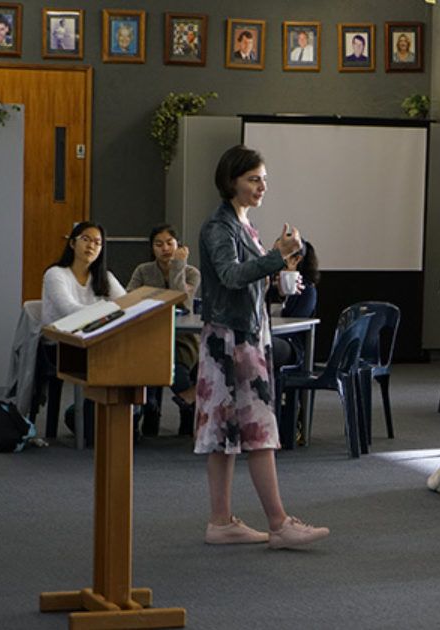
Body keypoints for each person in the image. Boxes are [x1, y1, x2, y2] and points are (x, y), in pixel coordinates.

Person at [194, 145, 329, 549]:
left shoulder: (243, 224)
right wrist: (277, 257)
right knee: (257, 431)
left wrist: (278, 275)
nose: (262, 186)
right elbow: (231, 276)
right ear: (230, 180)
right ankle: (278, 523)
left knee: (227, 433)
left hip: (241, 335)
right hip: (231, 341)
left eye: (264, 178)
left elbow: (246, 281)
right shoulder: (219, 227)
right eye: (253, 179)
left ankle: (221, 521)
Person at [42, 222, 127, 448]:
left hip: (96, 342)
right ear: (72, 243)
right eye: (86, 239)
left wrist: (109, 313)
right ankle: (93, 427)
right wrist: (108, 312)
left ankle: (122, 422)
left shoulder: (104, 277)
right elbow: (69, 311)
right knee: (107, 361)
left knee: (129, 356)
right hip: (60, 346)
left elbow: (126, 304)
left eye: (97, 242)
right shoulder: (56, 274)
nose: (92, 246)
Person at [126, 224, 201, 437]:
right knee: (149, 360)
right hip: (150, 336)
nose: (165, 248)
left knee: (176, 368)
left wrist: (178, 265)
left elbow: (182, 303)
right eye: (159, 244)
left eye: (170, 243)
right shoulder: (143, 270)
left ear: (179, 246)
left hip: (183, 339)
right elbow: (130, 298)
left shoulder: (191, 272)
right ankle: (150, 413)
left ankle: (188, 413)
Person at [266, 240, 319, 369]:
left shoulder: (306, 291)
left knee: (262, 346)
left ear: (296, 260)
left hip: (292, 346)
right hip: (269, 335)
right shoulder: (268, 286)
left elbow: (294, 327)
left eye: (281, 254)